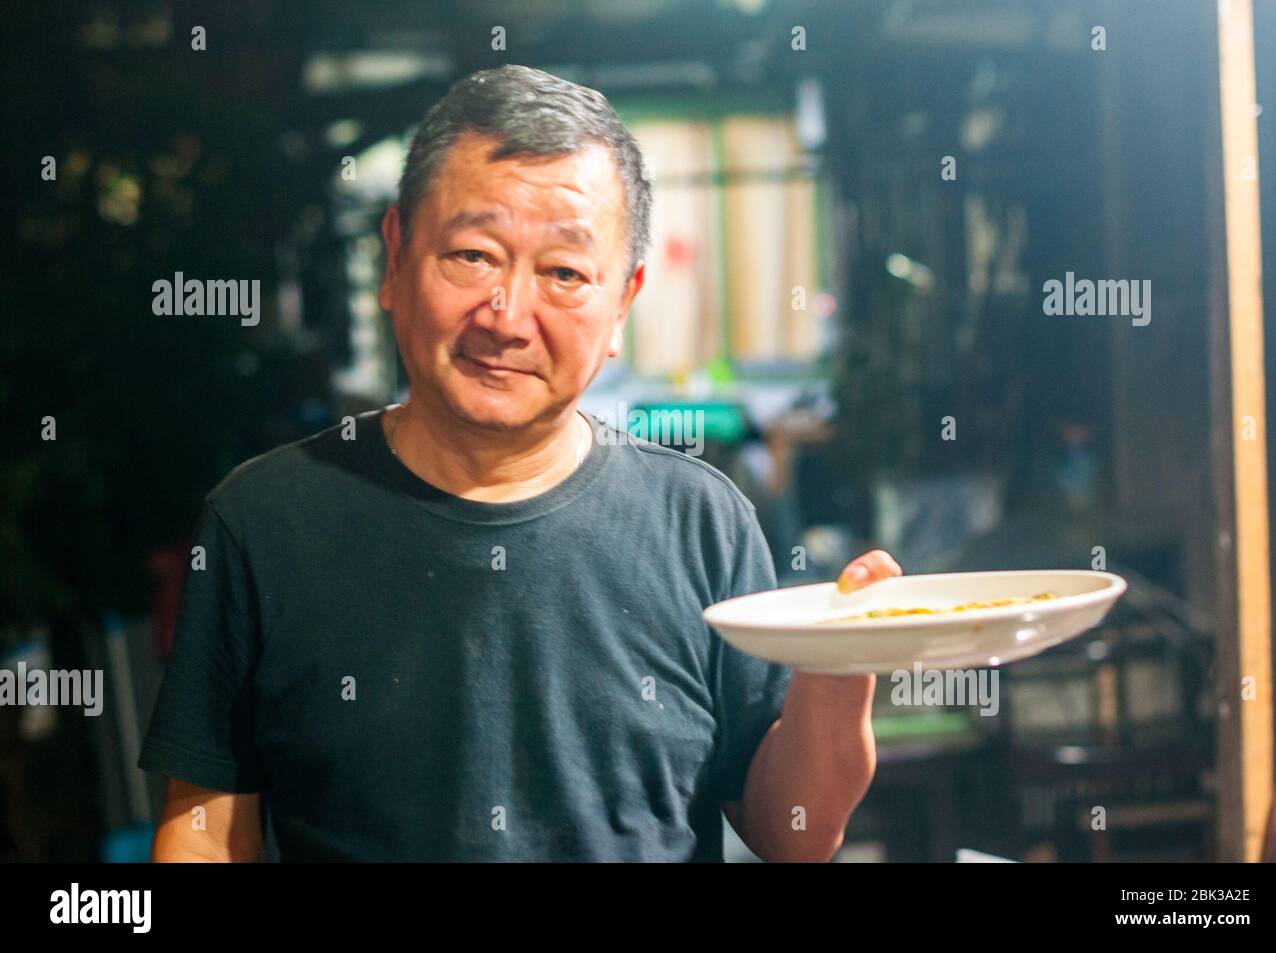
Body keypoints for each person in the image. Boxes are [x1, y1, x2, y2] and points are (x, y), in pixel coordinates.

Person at [139, 64, 901, 862]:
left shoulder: (701, 522)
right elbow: (204, 828)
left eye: (565, 273)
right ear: (395, 257)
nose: (507, 316)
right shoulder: (264, 522)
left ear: (622, 306)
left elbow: (791, 834)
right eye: (472, 255)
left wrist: (837, 671)